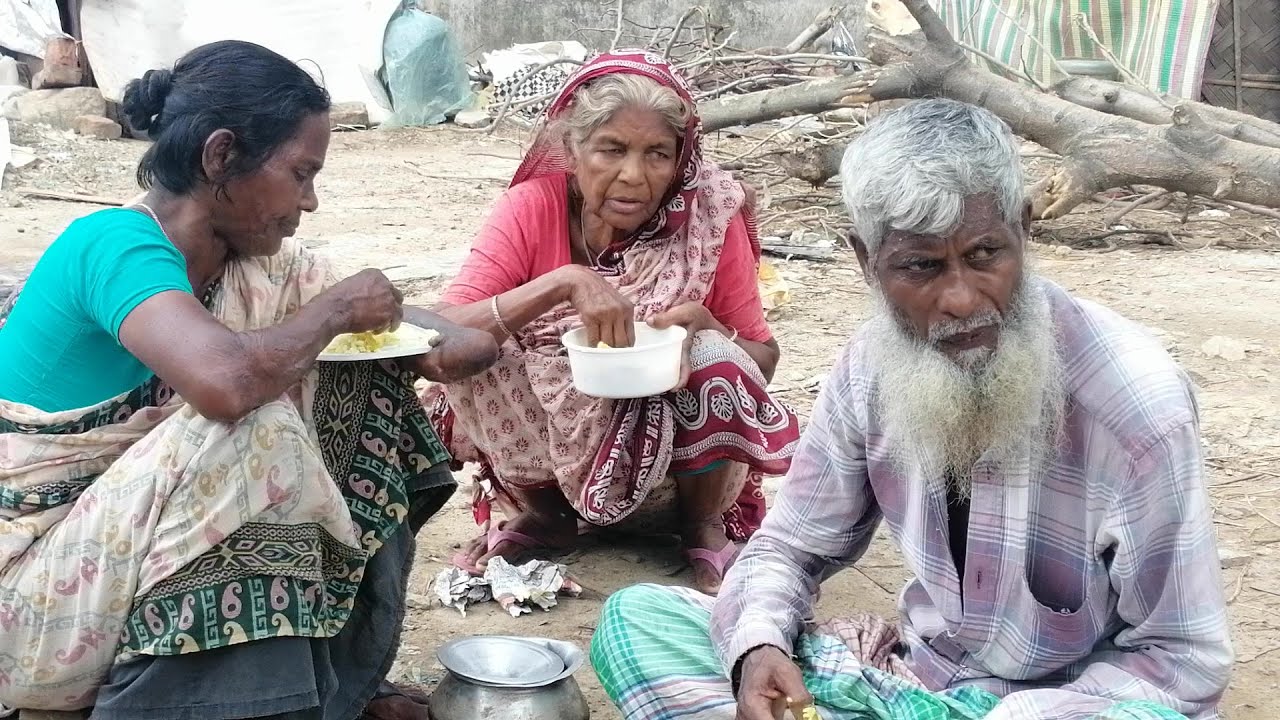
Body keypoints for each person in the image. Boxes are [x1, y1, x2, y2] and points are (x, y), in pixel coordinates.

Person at [590, 99, 1233, 720]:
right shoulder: (871, 368)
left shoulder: (1138, 406)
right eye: (921, 266)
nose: (959, 298)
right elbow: (789, 548)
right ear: (867, 262)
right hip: (917, 683)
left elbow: (1180, 660)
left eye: (985, 254)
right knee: (640, 622)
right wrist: (759, 648)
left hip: (1065, 705)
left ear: (1024, 229)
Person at [0, 41, 498, 720]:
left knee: (358, 386)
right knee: (253, 426)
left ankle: (326, 685)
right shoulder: (111, 245)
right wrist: (338, 313)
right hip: (28, 608)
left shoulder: (257, 269)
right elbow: (226, 383)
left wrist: (422, 341)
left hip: (111, 576)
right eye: (300, 174)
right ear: (221, 156)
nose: (311, 201)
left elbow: (453, 342)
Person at [426, 51, 800, 594]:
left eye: (657, 154)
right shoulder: (531, 207)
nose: (633, 176)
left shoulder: (708, 217)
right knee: (484, 349)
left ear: (680, 160)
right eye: (612, 149)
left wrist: (708, 326)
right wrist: (562, 282)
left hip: (675, 476)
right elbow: (442, 333)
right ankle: (550, 519)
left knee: (712, 354)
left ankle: (702, 529)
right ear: (573, 149)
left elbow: (762, 362)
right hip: (552, 461)